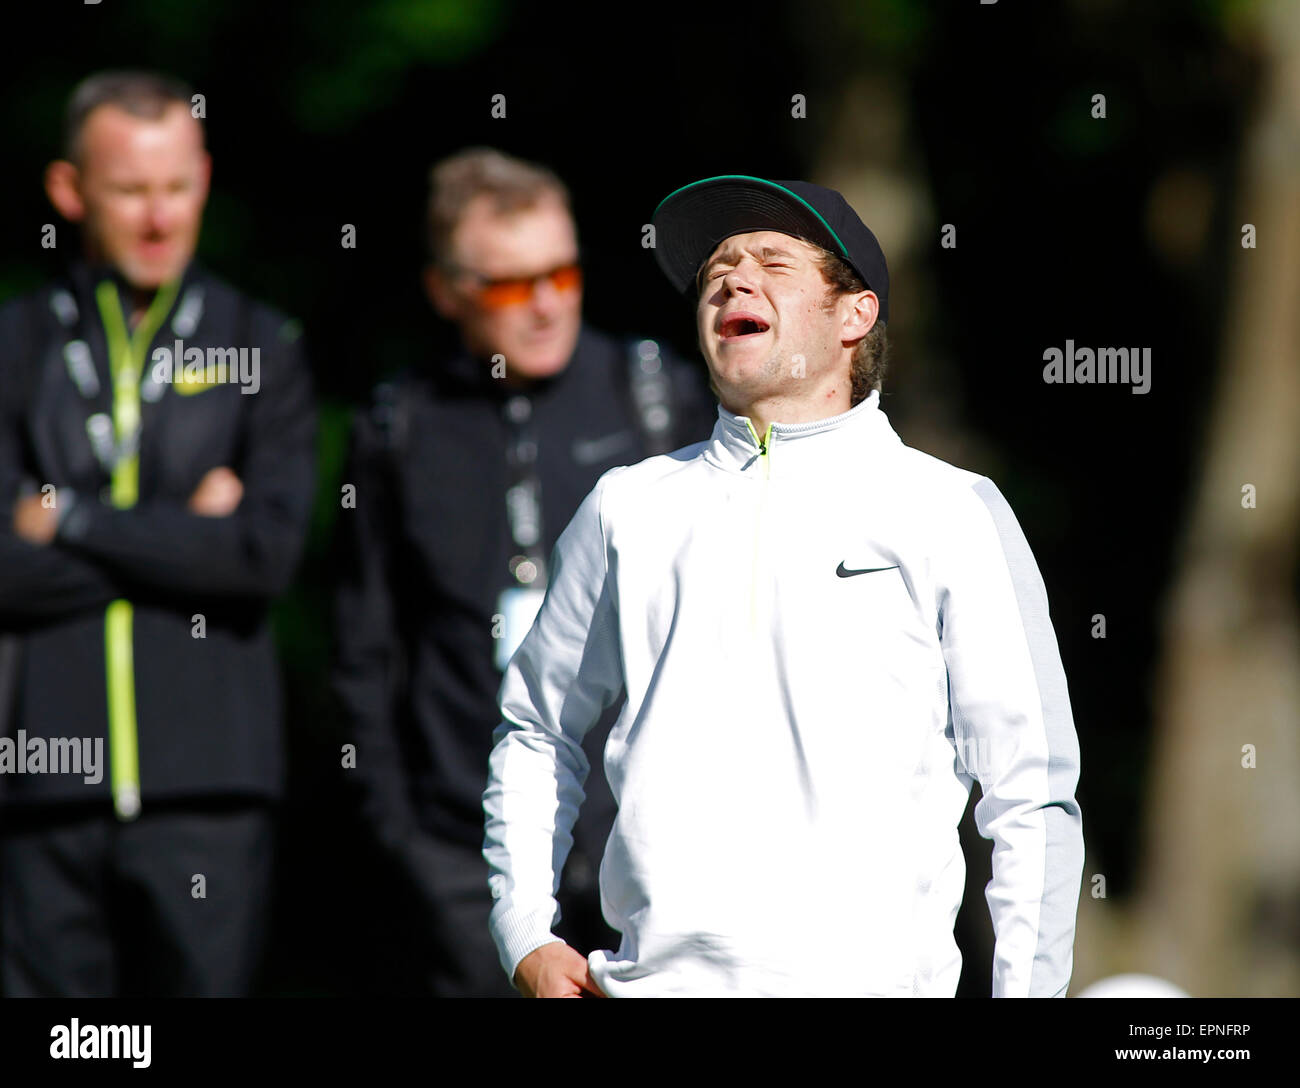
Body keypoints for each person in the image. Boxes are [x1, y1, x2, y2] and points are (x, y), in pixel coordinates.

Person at [483, 174, 1085, 998]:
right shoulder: (626, 507)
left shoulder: (950, 511)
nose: (733, 280)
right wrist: (523, 929)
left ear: (854, 315)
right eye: (718, 270)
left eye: (772, 262)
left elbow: (1030, 791)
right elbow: (536, 727)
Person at [331, 148, 715, 997]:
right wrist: (402, 835)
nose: (545, 304)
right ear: (446, 291)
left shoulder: (655, 394)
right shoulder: (399, 425)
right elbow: (363, 647)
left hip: (647, 844)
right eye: (509, 285)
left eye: (561, 273)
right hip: (463, 848)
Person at [0, 70, 316, 997]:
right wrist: (184, 533)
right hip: (40, 786)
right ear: (70, 191)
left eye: (176, 186)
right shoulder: (13, 346)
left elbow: (262, 559)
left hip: (210, 788)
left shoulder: (263, 343)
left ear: (205, 178)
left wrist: (71, 518)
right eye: (131, 190)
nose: (159, 216)